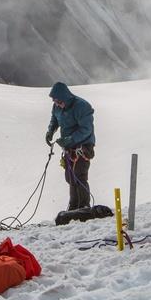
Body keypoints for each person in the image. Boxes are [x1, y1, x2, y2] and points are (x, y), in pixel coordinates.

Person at [45, 82, 96, 211]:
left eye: (59, 101)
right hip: (69, 147)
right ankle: (74, 205)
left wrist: (70, 139)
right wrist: (50, 131)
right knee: (70, 176)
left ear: (65, 97)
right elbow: (55, 119)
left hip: (83, 146)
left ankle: (83, 206)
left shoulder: (81, 106)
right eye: (55, 101)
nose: (57, 104)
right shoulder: (57, 107)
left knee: (79, 174)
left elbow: (87, 129)